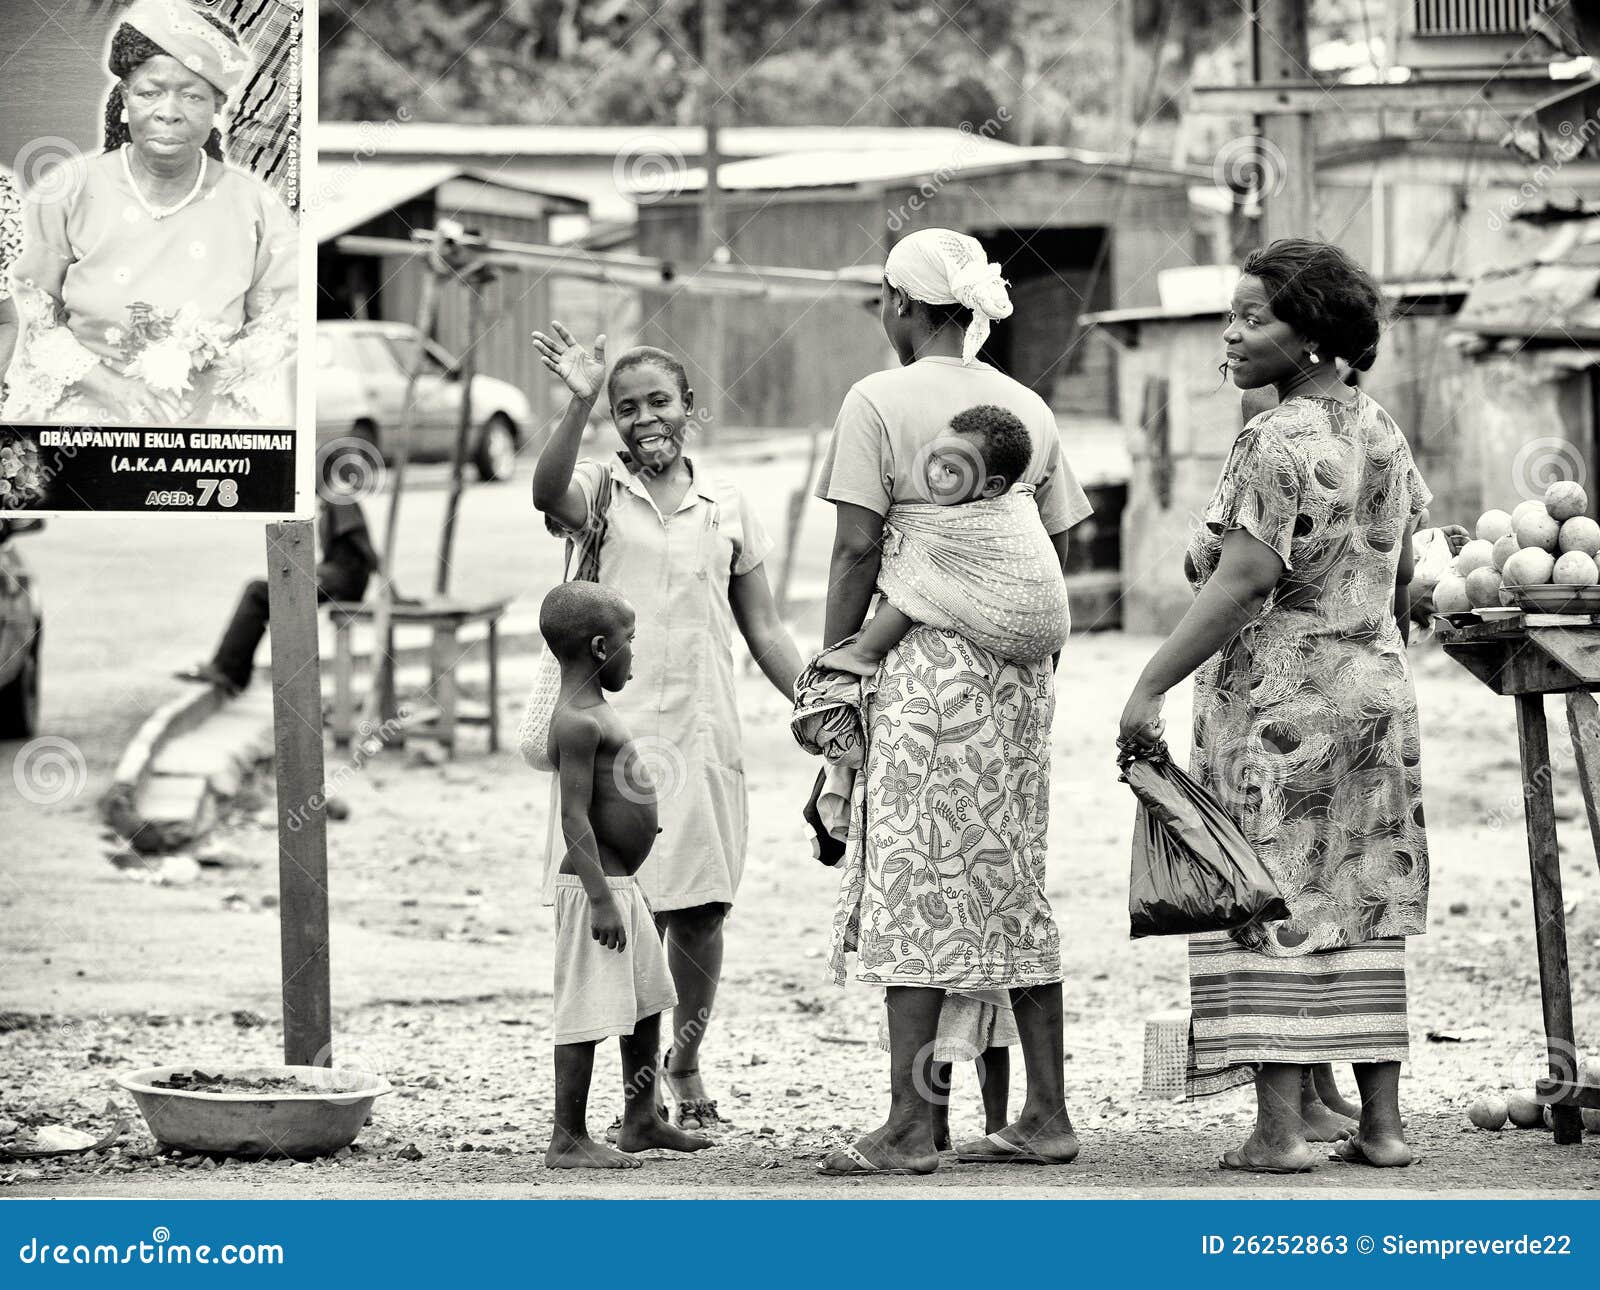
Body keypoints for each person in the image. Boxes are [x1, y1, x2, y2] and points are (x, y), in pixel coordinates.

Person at [1119, 239, 1431, 1174]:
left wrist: (1149, 684)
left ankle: (1280, 1131)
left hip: (1278, 710)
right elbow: (1407, 570)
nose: (1233, 333)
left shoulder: (1274, 438)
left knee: (1269, 899)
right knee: (1364, 901)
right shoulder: (1378, 428)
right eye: (1234, 313)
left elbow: (1247, 580)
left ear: (1315, 335)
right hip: (1374, 697)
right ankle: (1380, 1128)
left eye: (1255, 317)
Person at [814, 227, 1093, 1176]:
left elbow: (857, 550)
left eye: (883, 301)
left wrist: (838, 670)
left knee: (915, 885)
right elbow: (1050, 547)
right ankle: (1046, 1113)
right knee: (1010, 882)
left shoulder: (875, 400)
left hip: (929, 671)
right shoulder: (1026, 405)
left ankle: (906, 1125)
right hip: (1019, 684)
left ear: (903, 305)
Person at [532, 325, 805, 1132]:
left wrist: (816, 707)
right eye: (626, 408)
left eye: (659, 402)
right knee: (624, 903)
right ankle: (630, 1103)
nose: (644, 418)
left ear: (690, 408)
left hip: (703, 728)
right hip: (614, 734)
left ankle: (683, 1062)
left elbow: (765, 629)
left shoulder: (729, 506)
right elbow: (547, 494)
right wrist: (578, 403)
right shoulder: (601, 494)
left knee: (704, 907)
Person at [2, 0, 295, 426]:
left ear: (217, 108)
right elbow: (31, 309)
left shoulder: (254, 205)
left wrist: (216, 385)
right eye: (150, 92)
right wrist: (111, 388)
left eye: (192, 96)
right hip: (85, 423)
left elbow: (283, 317)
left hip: (212, 427)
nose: (169, 112)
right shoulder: (66, 191)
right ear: (124, 98)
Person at [538, 579, 716, 1169]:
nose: (634, 654)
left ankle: (641, 1119)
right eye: (629, 641)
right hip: (598, 890)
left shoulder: (594, 710)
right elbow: (572, 818)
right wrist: (599, 900)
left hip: (620, 886)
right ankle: (567, 1138)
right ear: (597, 647)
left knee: (645, 1003)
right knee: (587, 1009)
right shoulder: (576, 723)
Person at [817, 403, 1069, 678]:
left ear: (992, 486)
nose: (934, 473)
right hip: (1052, 639)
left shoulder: (965, 522)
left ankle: (864, 653)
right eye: (934, 458)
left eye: (950, 471)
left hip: (1011, 628)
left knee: (915, 580)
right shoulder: (1019, 500)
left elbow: (876, 559)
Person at [174, 460, 381, 695]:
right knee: (265, 593)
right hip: (337, 576)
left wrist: (387, 587)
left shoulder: (338, 496)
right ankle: (233, 672)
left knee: (257, 591)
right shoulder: (330, 500)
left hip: (342, 579)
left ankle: (229, 669)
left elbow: (364, 546)